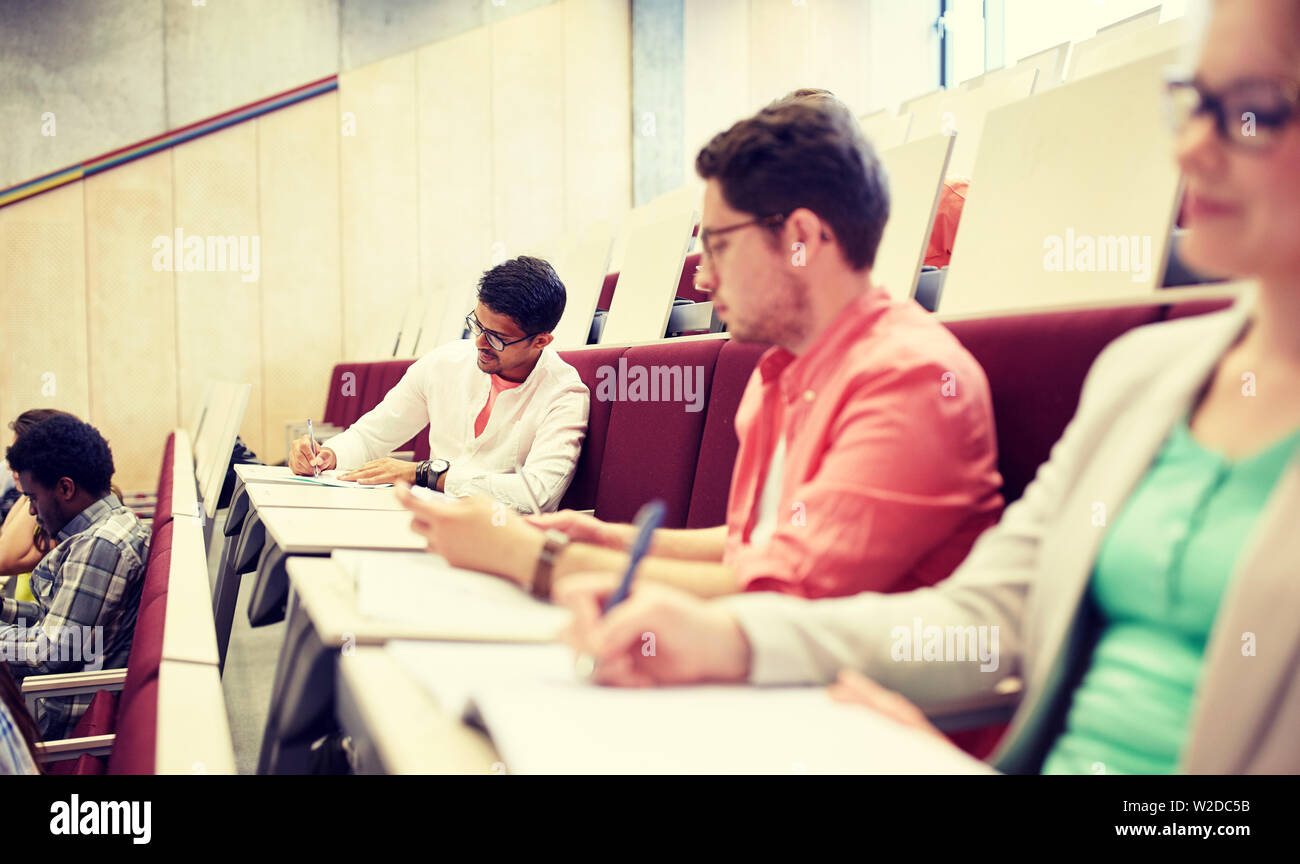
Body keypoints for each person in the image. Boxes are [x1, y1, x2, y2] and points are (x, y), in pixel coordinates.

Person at [554, 0, 1300, 774]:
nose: (1188, 148)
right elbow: (991, 618)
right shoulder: (1143, 376)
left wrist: (546, 563)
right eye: (1190, 104)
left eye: (1251, 112)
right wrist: (728, 639)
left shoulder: (913, 372)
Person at [398, 92, 1004, 601]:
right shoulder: (779, 373)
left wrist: (537, 559)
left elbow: (787, 591)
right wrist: (597, 541)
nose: (702, 278)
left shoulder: (911, 377)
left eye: (717, 246)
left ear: (798, 240)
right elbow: (752, 543)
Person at [289, 256, 589, 513]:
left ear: (541, 341)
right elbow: (371, 436)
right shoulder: (444, 363)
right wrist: (328, 455)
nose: (480, 343)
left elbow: (538, 494)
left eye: (498, 337)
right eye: (478, 326)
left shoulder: (564, 394)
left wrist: (426, 474)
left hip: (495, 540)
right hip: (424, 518)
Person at [2, 415, 149, 740]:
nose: (30, 511)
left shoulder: (100, 546)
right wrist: (4, 609)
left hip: (48, 716)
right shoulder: (110, 525)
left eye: (32, 497)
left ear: (65, 488)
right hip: (49, 696)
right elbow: (56, 622)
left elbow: (50, 653)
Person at [1, 410, 126, 604]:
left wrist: (34, 487)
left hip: (35, 629)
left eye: (20, 456)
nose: (10, 466)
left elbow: (4, 558)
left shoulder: (70, 521)